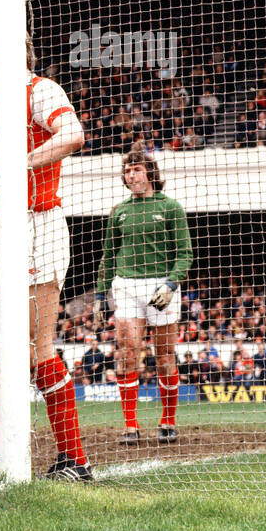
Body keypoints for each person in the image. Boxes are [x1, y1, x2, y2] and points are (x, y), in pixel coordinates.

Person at [0, 12, 92, 482]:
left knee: (38, 346)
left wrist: (20, 163)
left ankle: (76, 458)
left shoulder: (41, 89)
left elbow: (73, 134)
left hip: (40, 223)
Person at [94, 150, 193, 444]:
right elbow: (108, 255)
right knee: (127, 353)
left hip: (160, 286)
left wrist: (172, 284)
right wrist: (101, 293)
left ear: (150, 173)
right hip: (126, 285)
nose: (131, 175)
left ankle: (168, 422)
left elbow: (185, 253)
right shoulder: (119, 212)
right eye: (127, 171)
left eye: (136, 169)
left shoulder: (171, 207)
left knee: (164, 357)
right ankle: (130, 426)